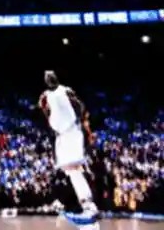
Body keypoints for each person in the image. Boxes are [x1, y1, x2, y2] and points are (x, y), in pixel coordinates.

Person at [40, 71, 100, 225]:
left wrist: (84, 124)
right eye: (47, 77)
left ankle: (89, 206)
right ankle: (86, 205)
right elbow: (45, 112)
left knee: (74, 170)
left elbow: (80, 107)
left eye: (51, 76)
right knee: (71, 171)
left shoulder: (66, 91)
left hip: (71, 131)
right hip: (62, 135)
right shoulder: (46, 96)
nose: (49, 78)